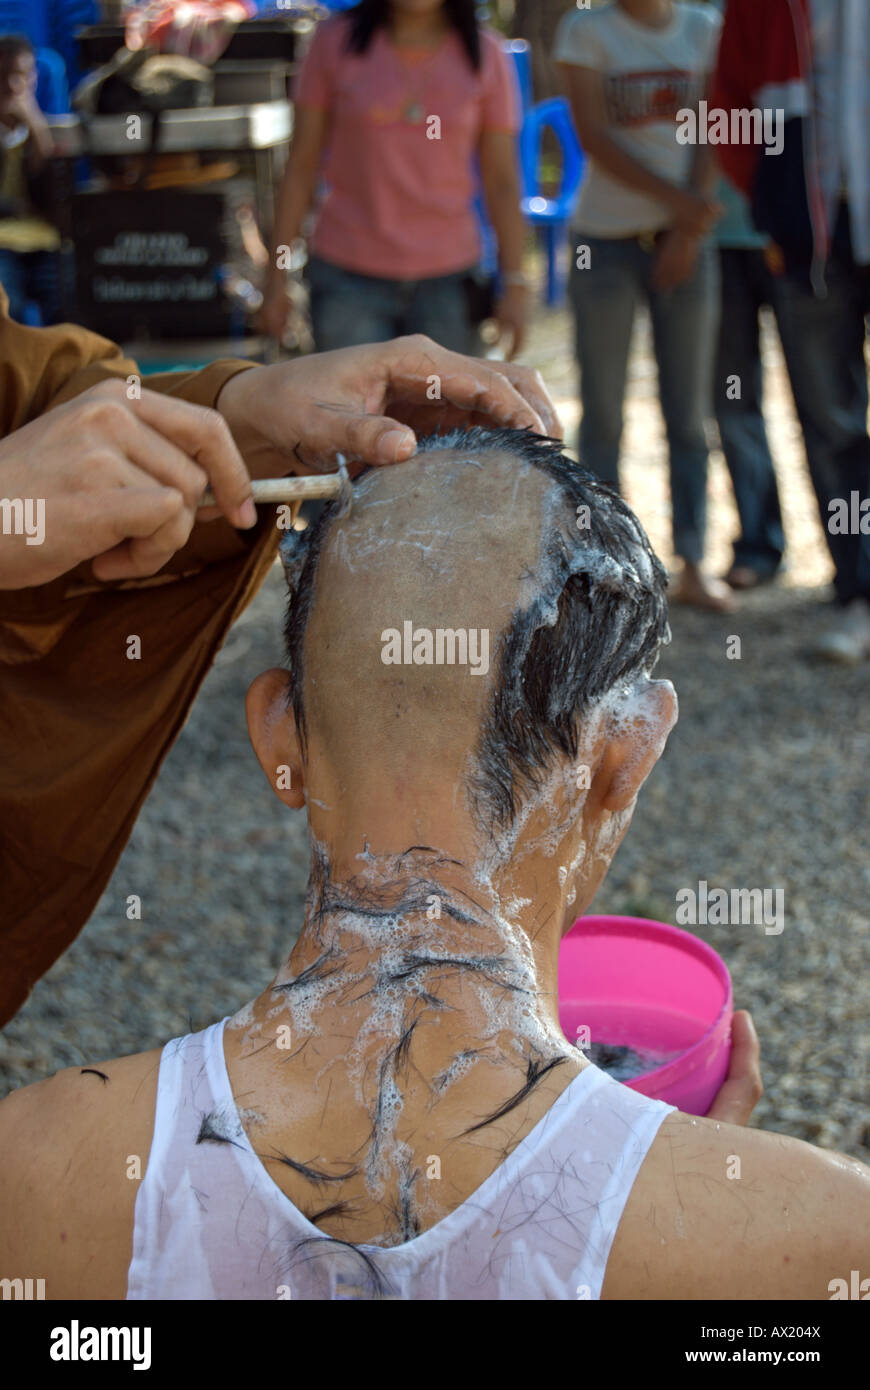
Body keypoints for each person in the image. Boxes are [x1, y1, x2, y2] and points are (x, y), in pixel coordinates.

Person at [0, 429, 867, 1300]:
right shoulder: (820, 1241)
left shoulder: (33, 1173)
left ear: (276, 738)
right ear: (628, 755)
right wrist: (704, 1207)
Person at [0, 290, 558, 1026]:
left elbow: (27, 393)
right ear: (282, 734)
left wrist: (243, 412)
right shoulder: (49, 1137)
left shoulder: (72, 1130)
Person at [555, 0, 732, 612]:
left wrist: (687, 228)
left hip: (686, 243)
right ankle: (606, 568)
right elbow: (593, 137)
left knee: (688, 412)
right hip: (602, 243)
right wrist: (680, 206)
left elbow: (716, 126)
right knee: (602, 412)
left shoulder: (704, 28)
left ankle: (693, 562)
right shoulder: (586, 30)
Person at [713, 0, 870, 662]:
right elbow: (728, 106)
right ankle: (860, 591)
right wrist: (776, 207)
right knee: (832, 422)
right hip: (809, 238)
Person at [260, 0, 529, 359]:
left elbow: (502, 182)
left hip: (449, 283)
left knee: (441, 412)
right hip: (347, 281)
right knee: (349, 414)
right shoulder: (333, 43)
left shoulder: (487, 54)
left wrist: (515, 282)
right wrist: (276, 278)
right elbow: (300, 167)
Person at [713, 174, 787, 590]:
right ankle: (759, 544)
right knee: (734, 403)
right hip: (718, 239)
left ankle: (854, 565)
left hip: (798, 235)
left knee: (827, 412)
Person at [0, 35, 62, 324]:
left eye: (21, 77)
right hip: (3, 242)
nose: (13, 87)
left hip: (44, 241)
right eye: (3, 77)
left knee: (66, 306)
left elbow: (55, 194)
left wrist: (37, 129)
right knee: (10, 310)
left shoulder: (45, 133)